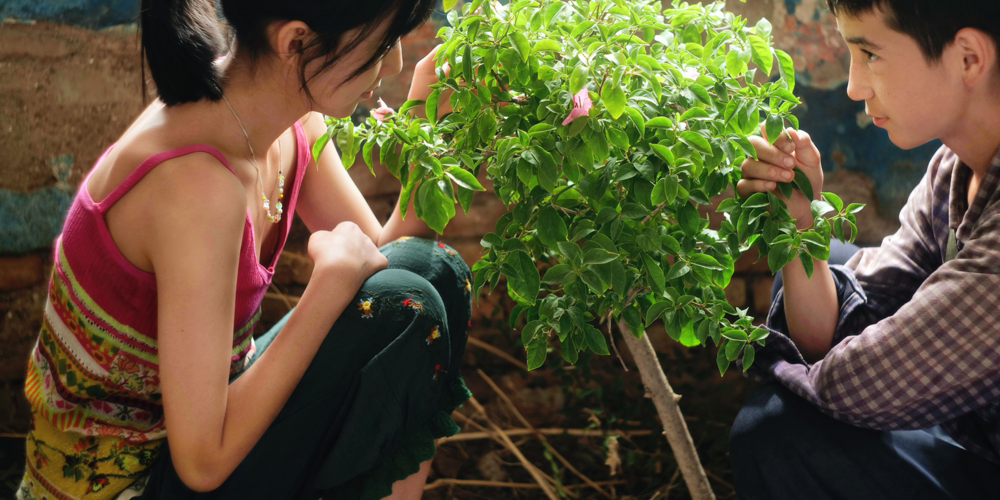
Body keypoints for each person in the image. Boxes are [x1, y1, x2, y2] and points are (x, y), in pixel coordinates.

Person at [15, 0, 473, 498]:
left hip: (200, 440)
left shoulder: (290, 121)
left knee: (434, 273)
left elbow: (383, 254)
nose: (396, 65)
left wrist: (441, 121)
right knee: (411, 304)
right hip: (129, 481)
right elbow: (203, 463)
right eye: (383, 44)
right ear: (295, 40)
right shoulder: (195, 186)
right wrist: (324, 292)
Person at [728, 0, 1000, 498]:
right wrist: (799, 222)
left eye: (870, 53)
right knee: (820, 256)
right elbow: (837, 326)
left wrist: (769, 357)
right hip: (972, 430)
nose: (855, 86)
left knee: (774, 432)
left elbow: (856, 388)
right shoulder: (953, 167)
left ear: (968, 58)